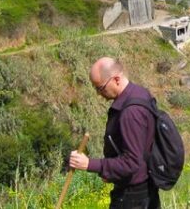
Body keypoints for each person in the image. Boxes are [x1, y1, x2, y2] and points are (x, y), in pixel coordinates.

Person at [69, 57, 161, 209]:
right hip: (146, 189)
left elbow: (131, 162)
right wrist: (110, 172)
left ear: (116, 79)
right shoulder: (141, 93)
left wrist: (89, 164)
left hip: (133, 197)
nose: (99, 94)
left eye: (100, 88)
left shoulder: (130, 112)